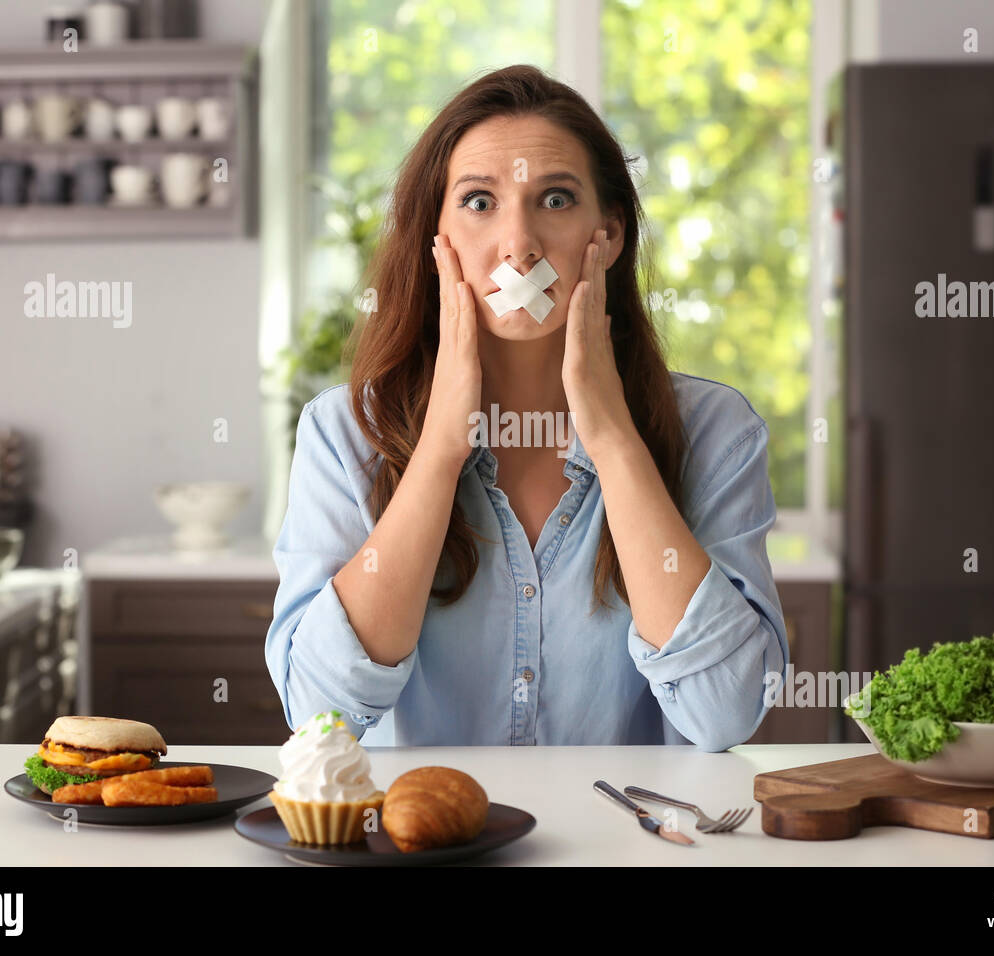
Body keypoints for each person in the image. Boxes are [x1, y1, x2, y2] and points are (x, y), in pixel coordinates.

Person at [265, 64, 788, 750]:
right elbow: (320, 716)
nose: (519, 245)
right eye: (480, 202)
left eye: (556, 200)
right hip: (430, 853)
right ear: (436, 241)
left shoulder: (715, 432)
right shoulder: (344, 434)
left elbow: (728, 713)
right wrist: (441, 450)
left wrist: (613, 438)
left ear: (610, 235)